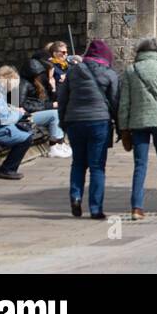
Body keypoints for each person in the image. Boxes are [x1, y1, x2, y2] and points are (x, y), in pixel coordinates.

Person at [117, 38, 157, 220]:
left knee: (140, 164)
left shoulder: (131, 71)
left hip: (138, 122)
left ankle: (137, 207)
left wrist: (123, 128)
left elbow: (124, 103)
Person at [58, 39, 120, 219]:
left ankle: (76, 197)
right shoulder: (109, 73)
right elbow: (115, 101)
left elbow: (63, 98)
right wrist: (120, 126)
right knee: (97, 167)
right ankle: (95, 209)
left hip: (75, 121)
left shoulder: (73, 72)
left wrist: (63, 122)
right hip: (99, 122)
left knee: (78, 163)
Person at [21, 44, 69, 158]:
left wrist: (53, 87)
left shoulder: (40, 84)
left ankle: (60, 142)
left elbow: (47, 99)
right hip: (28, 115)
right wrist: (50, 105)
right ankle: (55, 145)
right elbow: (22, 105)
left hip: (38, 111)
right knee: (54, 114)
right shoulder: (23, 84)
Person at [0, 66, 34, 180]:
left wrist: (12, 110)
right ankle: (8, 169)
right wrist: (19, 114)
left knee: (23, 128)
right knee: (27, 137)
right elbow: (3, 119)